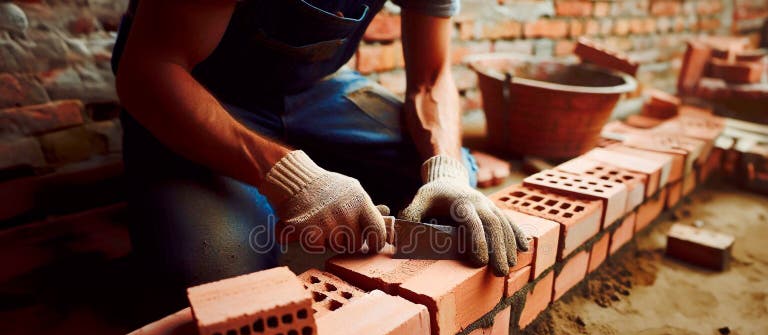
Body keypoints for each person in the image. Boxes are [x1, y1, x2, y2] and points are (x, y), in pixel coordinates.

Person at [112, 0, 528, 292]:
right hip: (195, 91)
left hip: (312, 91)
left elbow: (431, 76)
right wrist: (290, 177)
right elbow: (150, 71)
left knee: (455, 193)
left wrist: (446, 171)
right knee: (219, 270)